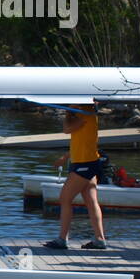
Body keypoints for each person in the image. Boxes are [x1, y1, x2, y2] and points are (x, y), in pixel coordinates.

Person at [42, 102, 108, 251]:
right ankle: (99, 239)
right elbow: (80, 141)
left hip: (84, 164)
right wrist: (65, 158)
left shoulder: (85, 112)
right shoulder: (85, 112)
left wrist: (68, 112)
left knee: (65, 198)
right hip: (87, 162)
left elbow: (66, 129)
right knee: (91, 202)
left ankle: (62, 239)